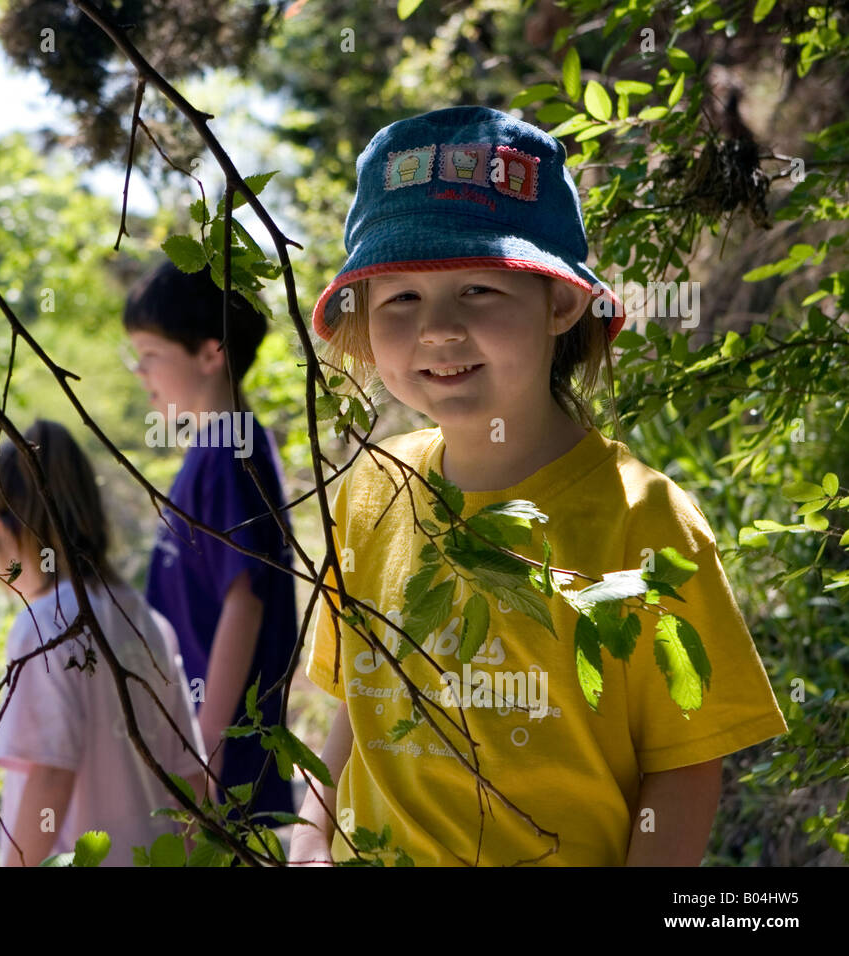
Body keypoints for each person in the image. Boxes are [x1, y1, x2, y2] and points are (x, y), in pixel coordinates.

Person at [289, 106, 789, 866]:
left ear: (559, 302)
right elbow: (356, 706)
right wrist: (308, 837)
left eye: (480, 290)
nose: (439, 330)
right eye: (402, 299)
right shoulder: (369, 492)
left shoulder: (645, 520)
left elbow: (684, 764)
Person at [0, 419, 205, 866]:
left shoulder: (44, 627)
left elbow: (49, 777)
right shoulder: (147, 621)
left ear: (6, 530)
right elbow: (191, 780)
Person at [122, 261, 298, 820]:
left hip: (226, 769)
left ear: (209, 352)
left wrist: (206, 751)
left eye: (150, 355)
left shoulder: (230, 453)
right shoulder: (219, 444)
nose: (139, 372)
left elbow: (244, 602)